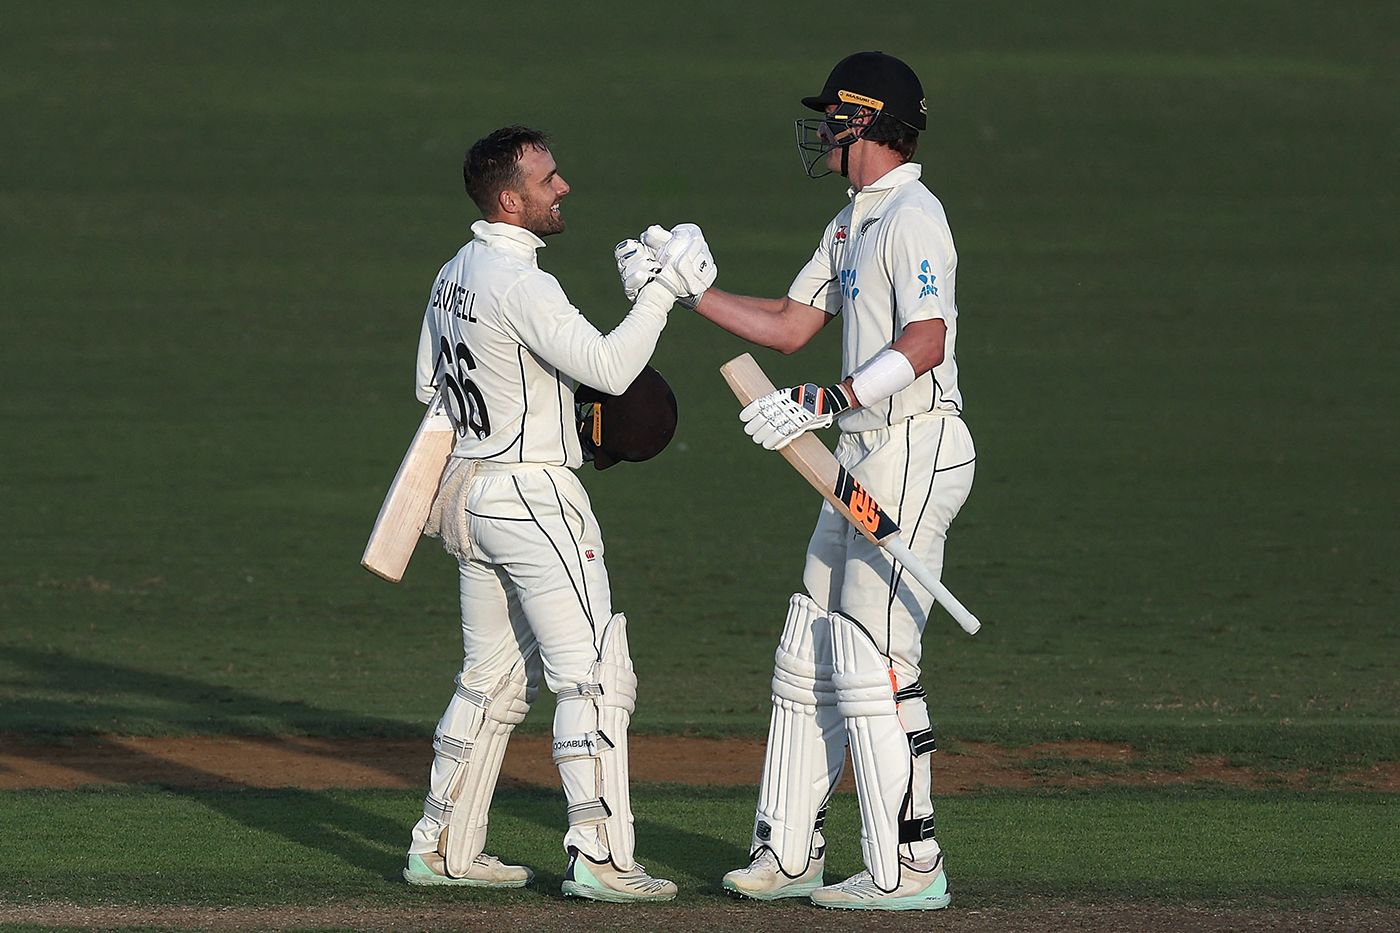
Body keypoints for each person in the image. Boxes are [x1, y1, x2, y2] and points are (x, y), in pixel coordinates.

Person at [624, 52, 975, 910]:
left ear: (869, 122)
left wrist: (835, 395)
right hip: (857, 452)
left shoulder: (913, 217)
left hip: (915, 449)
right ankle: (789, 854)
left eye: (834, 117)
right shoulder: (851, 222)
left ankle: (911, 863)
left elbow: (927, 339)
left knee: (875, 653)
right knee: (809, 641)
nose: (822, 130)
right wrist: (688, 294)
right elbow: (789, 327)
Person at [402, 125, 704, 903]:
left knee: (493, 679)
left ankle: (442, 846)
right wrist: (663, 293)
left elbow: (429, 387)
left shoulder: (452, 274)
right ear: (511, 199)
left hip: (466, 495)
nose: (562, 187)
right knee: (595, 676)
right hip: (533, 497)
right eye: (548, 179)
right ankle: (600, 857)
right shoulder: (519, 281)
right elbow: (608, 365)